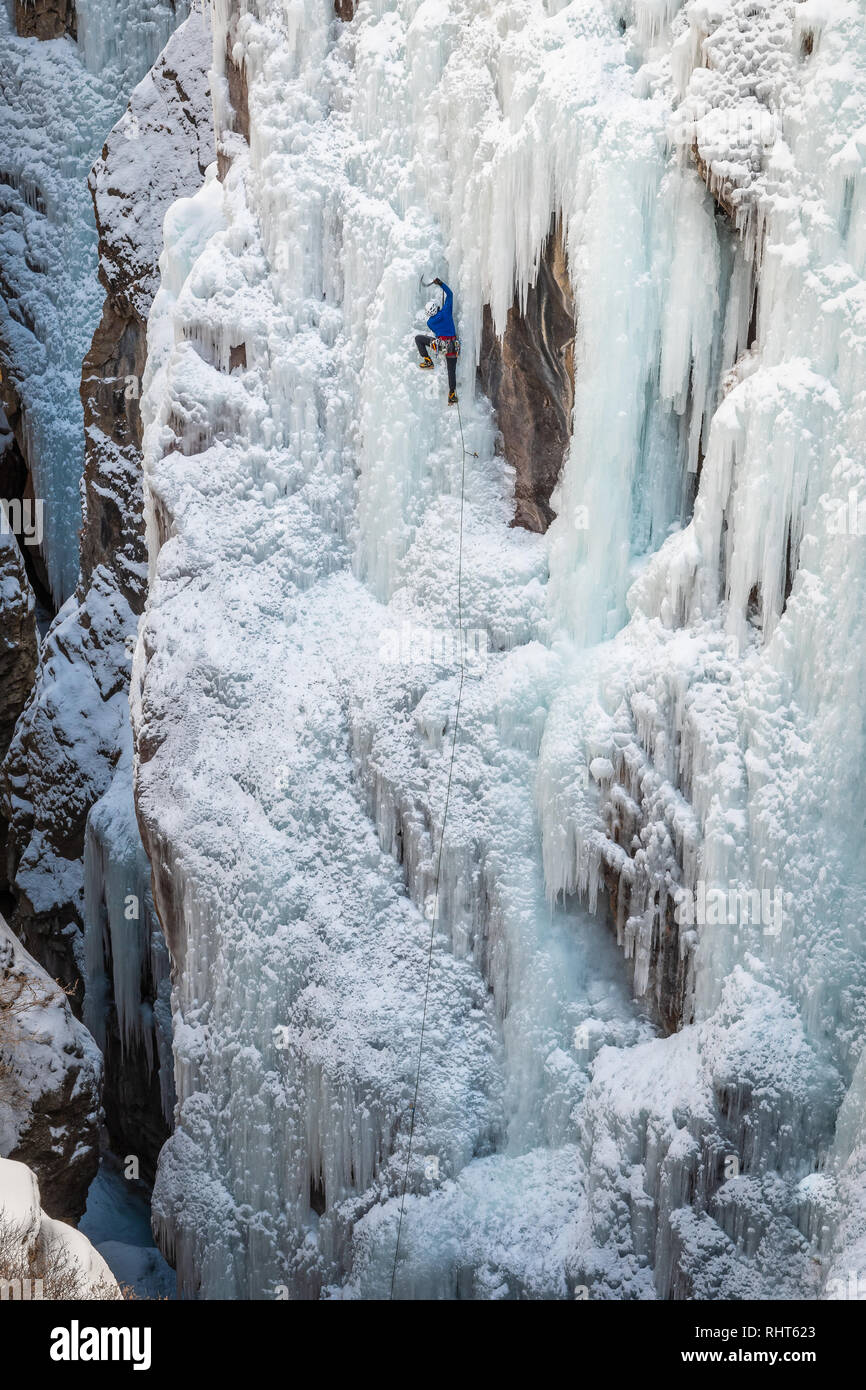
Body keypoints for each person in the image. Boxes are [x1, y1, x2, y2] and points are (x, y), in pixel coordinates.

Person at [415, 278, 459, 404]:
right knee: (451, 371)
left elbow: (438, 330)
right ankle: (451, 395)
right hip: (453, 347)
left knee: (419, 339)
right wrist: (440, 283)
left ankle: (428, 361)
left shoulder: (430, 323)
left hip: (440, 346)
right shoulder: (446, 312)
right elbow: (450, 294)